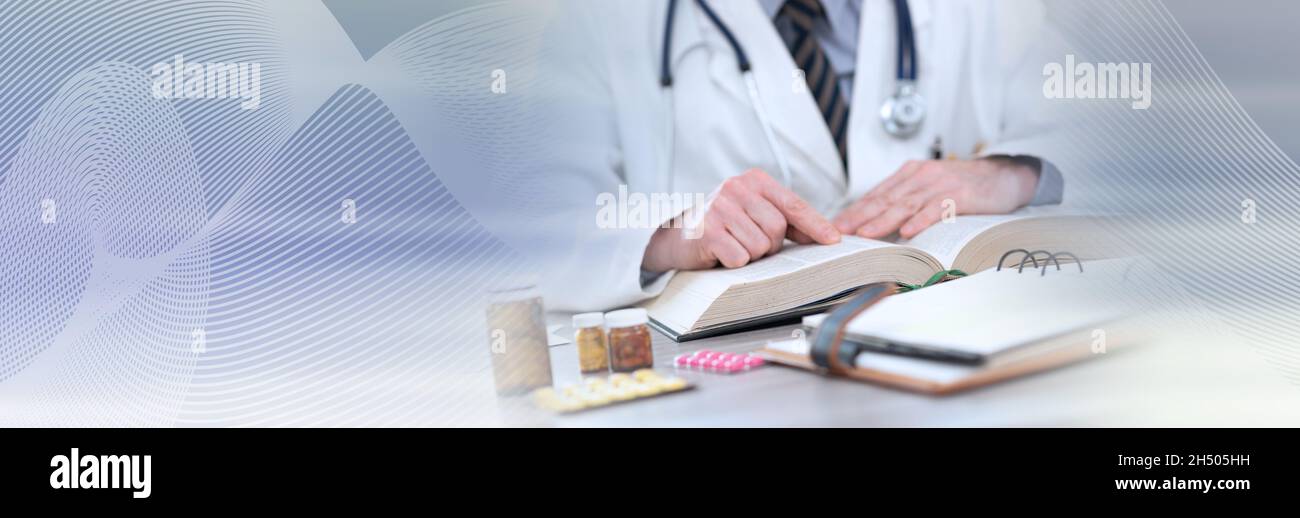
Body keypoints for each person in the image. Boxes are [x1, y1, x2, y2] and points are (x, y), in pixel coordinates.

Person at [534, 0, 1066, 311]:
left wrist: (1017, 170)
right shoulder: (601, 20)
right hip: (733, 385)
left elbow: (1110, 134)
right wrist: (667, 237)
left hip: (965, 336)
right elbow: (535, 232)